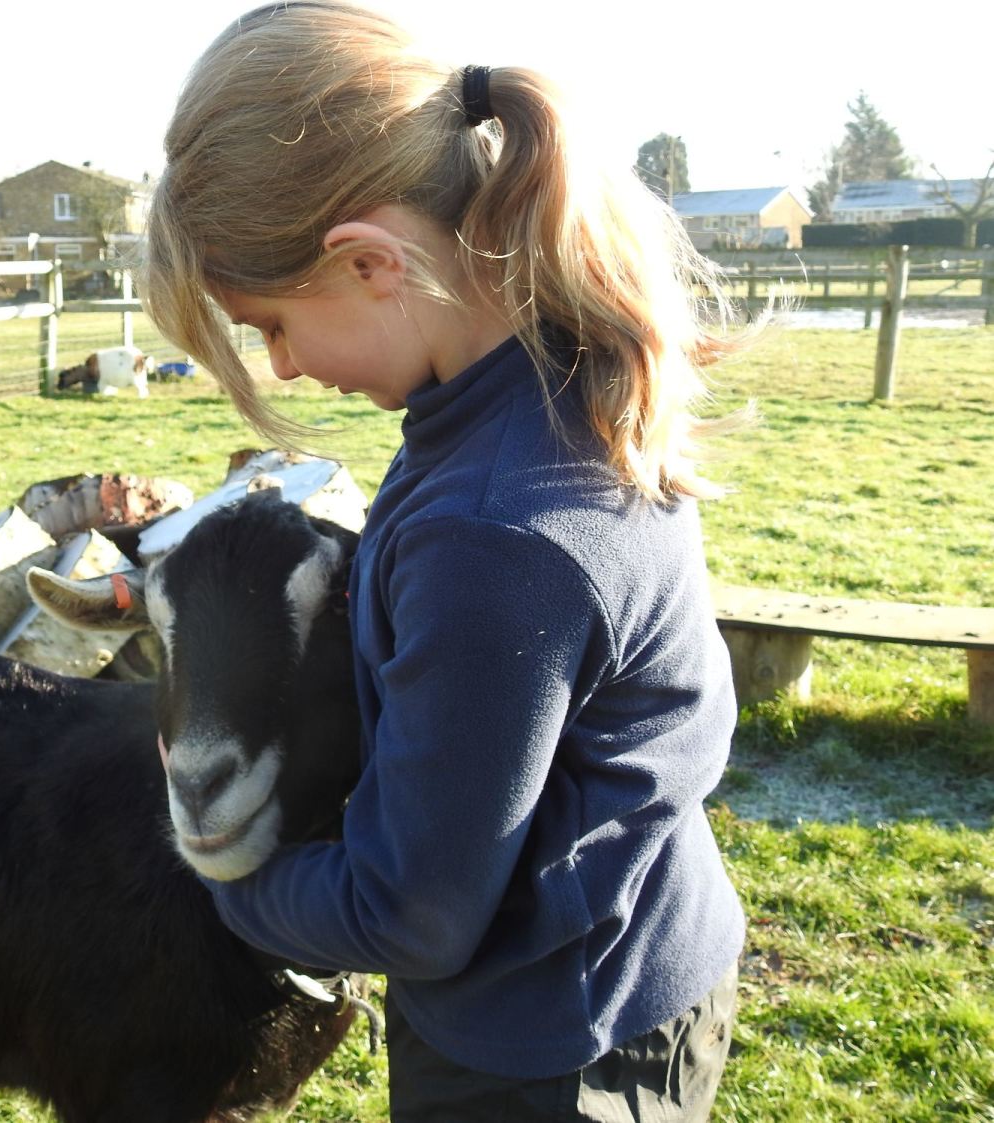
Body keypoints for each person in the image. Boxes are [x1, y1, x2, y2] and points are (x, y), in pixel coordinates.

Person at [140, 3, 748, 1119]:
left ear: (371, 262)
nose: (281, 368)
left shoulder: (493, 528)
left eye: (270, 324)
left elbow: (409, 910)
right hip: (623, 954)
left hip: (543, 1048)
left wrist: (223, 885)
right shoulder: (538, 384)